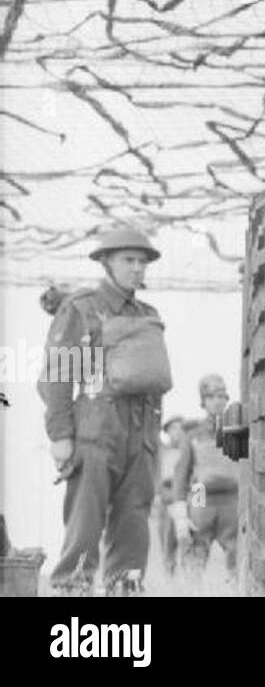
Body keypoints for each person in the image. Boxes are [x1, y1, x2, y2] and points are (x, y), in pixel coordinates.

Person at [38, 227, 172, 595]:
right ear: (106, 262)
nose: (137, 268)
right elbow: (57, 376)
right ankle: (73, 598)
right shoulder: (81, 308)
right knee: (84, 527)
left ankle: (124, 597)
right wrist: (61, 435)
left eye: (142, 262)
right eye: (128, 260)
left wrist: (151, 441)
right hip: (95, 435)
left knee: (133, 527)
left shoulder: (149, 314)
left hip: (141, 437)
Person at [172, 374, 241, 579]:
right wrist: (181, 516)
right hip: (201, 497)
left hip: (232, 499)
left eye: (221, 396)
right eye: (211, 397)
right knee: (194, 556)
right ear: (203, 401)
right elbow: (181, 475)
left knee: (239, 559)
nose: (217, 401)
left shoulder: (238, 431)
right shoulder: (192, 434)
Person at [152, 415, 186, 578]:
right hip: (166, 501)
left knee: (188, 542)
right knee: (167, 543)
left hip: (185, 503)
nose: (177, 432)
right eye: (173, 428)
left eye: (181, 428)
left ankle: (191, 581)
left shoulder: (188, 450)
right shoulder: (162, 452)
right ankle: (170, 580)